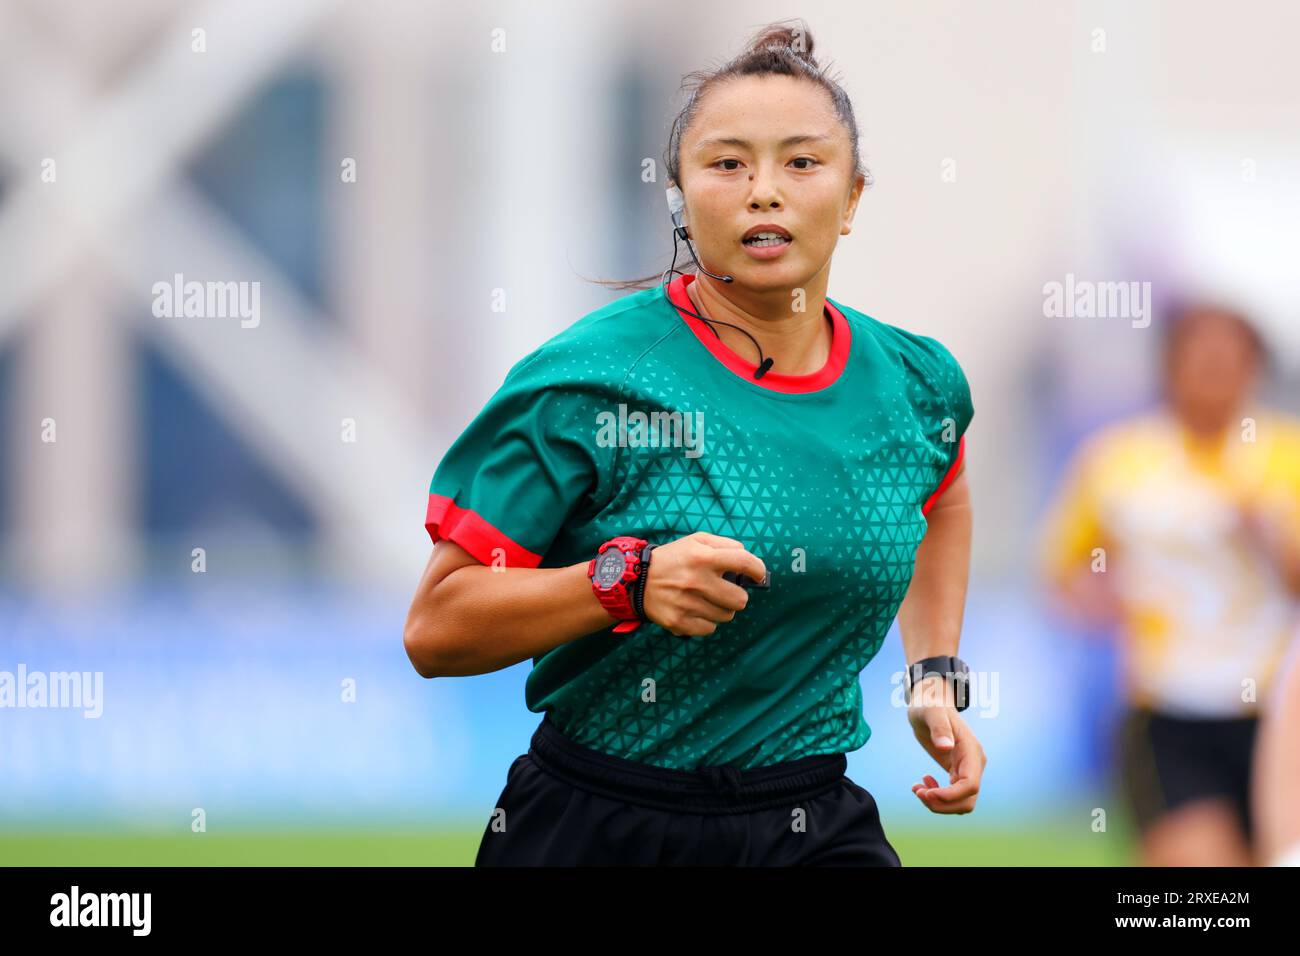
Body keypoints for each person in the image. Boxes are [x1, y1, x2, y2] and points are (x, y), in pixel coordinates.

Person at [404, 19, 984, 866]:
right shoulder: (587, 379)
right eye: (726, 163)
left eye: (802, 161)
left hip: (812, 823)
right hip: (596, 823)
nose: (764, 190)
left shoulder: (917, 384)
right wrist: (625, 582)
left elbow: (945, 494)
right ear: (677, 195)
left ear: (853, 196)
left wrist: (933, 675)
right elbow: (435, 628)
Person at [1038, 299, 1300, 866]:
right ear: (1169, 365)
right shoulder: (1118, 461)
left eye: (1230, 360)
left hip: (1279, 718)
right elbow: (1067, 570)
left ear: (1254, 369)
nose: (1213, 373)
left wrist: (1272, 540)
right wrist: (1100, 598)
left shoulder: (1286, 458)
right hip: (1169, 715)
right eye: (1199, 358)